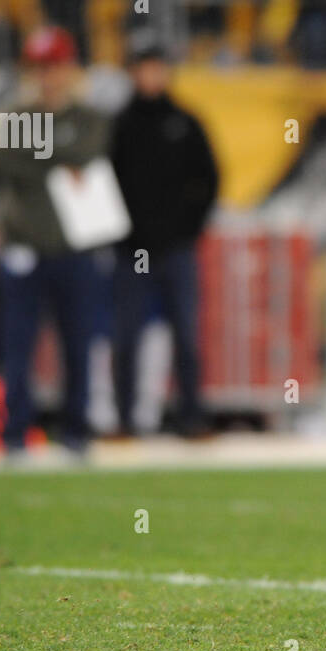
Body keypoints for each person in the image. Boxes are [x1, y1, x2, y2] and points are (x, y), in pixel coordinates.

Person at [0, 27, 111, 458]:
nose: (48, 76)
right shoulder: (15, 114)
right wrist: (58, 155)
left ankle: (77, 432)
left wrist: (34, 150)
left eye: (55, 66)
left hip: (74, 250)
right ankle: (14, 434)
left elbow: (89, 153)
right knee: (17, 346)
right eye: (41, 67)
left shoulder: (88, 117)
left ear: (69, 69)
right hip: (23, 248)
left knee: (78, 345)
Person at [109, 36, 219, 437]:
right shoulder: (120, 125)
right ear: (133, 73)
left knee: (187, 336)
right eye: (143, 67)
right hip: (131, 251)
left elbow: (208, 181)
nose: (150, 76)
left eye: (156, 67)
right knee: (126, 338)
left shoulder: (186, 122)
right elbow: (105, 184)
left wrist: (188, 230)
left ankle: (191, 416)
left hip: (176, 249)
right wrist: (119, 234)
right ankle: (125, 419)